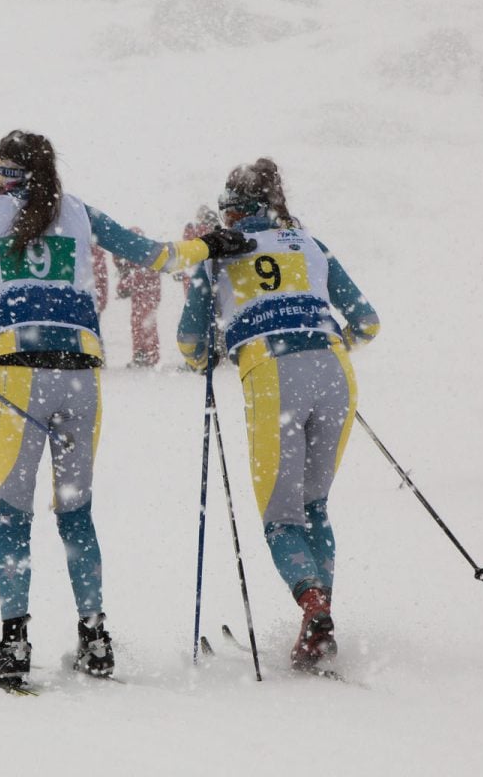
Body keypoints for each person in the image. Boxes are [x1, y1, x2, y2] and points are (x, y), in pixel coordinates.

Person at [0, 129, 251, 687]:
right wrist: (210, 246)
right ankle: (95, 640)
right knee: (76, 513)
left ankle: (15, 644)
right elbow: (156, 257)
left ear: (11, 174)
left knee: (13, 515)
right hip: (80, 379)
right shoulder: (78, 210)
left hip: (19, 377)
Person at [177, 158, 379, 671]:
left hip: (272, 375)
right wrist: (329, 347)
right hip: (334, 372)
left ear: (231, 212)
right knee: (315, 505)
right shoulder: (310, 243)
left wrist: (213, 349)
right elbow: (368, 322)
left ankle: (312, 605)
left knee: (280, 518)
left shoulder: (217, 256)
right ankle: (318, 625)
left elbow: (190, 344)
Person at [113, 227, 162, 368]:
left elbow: (136, 276)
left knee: (143, 324)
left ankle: (147, 355)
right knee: (142, 323)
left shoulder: (139, 255)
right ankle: (144, 354)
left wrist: (122, 287)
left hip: (145, 296)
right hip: (147, 296)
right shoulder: (146, 251)